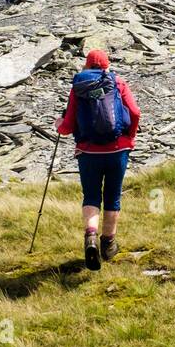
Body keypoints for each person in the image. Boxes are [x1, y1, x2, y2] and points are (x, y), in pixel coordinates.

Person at [56, 49, 140, 270]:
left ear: (86, 65)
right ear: (106, 65)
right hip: (117, 150)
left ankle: (90, 238)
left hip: (88, 152)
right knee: (113, 197)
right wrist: (130, 136)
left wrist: (59, 125)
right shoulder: (118, 83)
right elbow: (135, 111)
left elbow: (68, 125)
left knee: (91, 196)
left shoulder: (79, 87)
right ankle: (109, 245)